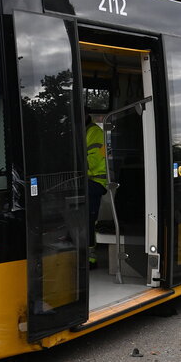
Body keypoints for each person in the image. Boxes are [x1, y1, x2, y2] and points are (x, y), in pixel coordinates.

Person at [85, 114, 108, 265]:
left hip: (96, 181)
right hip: (89, 180)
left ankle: (90, 258)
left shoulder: (94, 132)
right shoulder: (86, 131)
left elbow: (92, 161)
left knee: (88, 219)